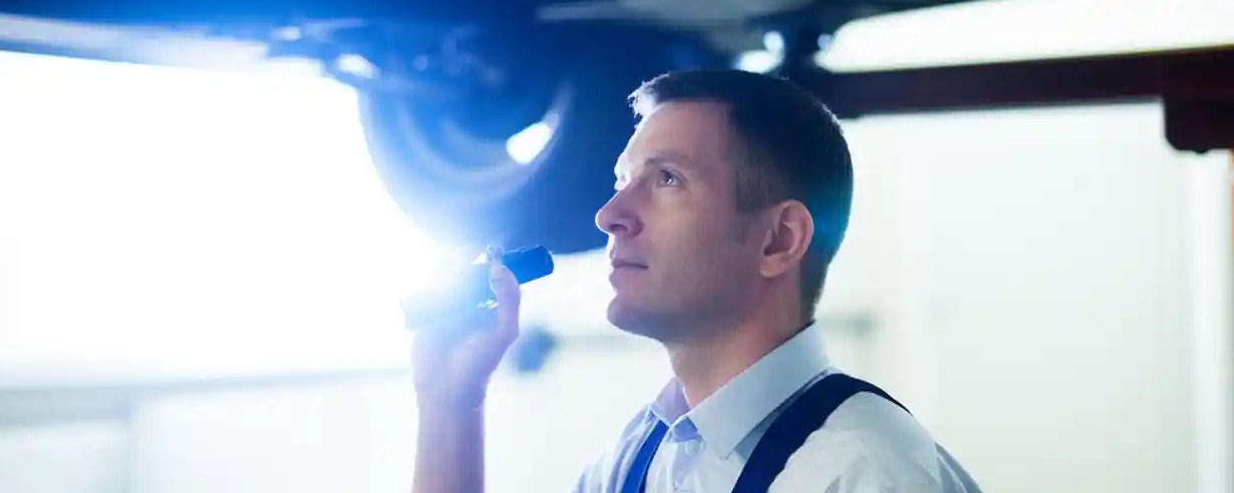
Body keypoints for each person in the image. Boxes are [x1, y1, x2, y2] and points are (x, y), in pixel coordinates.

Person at [410, 69, 981, 493]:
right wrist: (449, 404)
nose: (609, 215)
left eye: (666, 179)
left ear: (778, 240)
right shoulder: (638, 459)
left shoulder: (863, 473)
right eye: (622, 180)